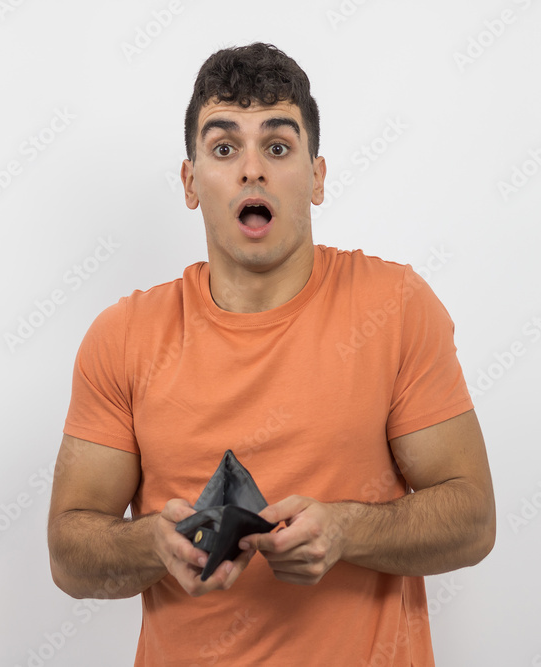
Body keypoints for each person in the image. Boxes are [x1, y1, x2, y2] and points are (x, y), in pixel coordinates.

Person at [47, 42, 495, 666]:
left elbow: (473, 520)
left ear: (315, 177)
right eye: (224, 148)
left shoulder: (396, 307)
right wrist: (153, 544)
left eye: (277, 147)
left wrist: (347, 530)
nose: (251, 169)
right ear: (190, 182)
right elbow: (69, 554)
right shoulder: (123, 337)